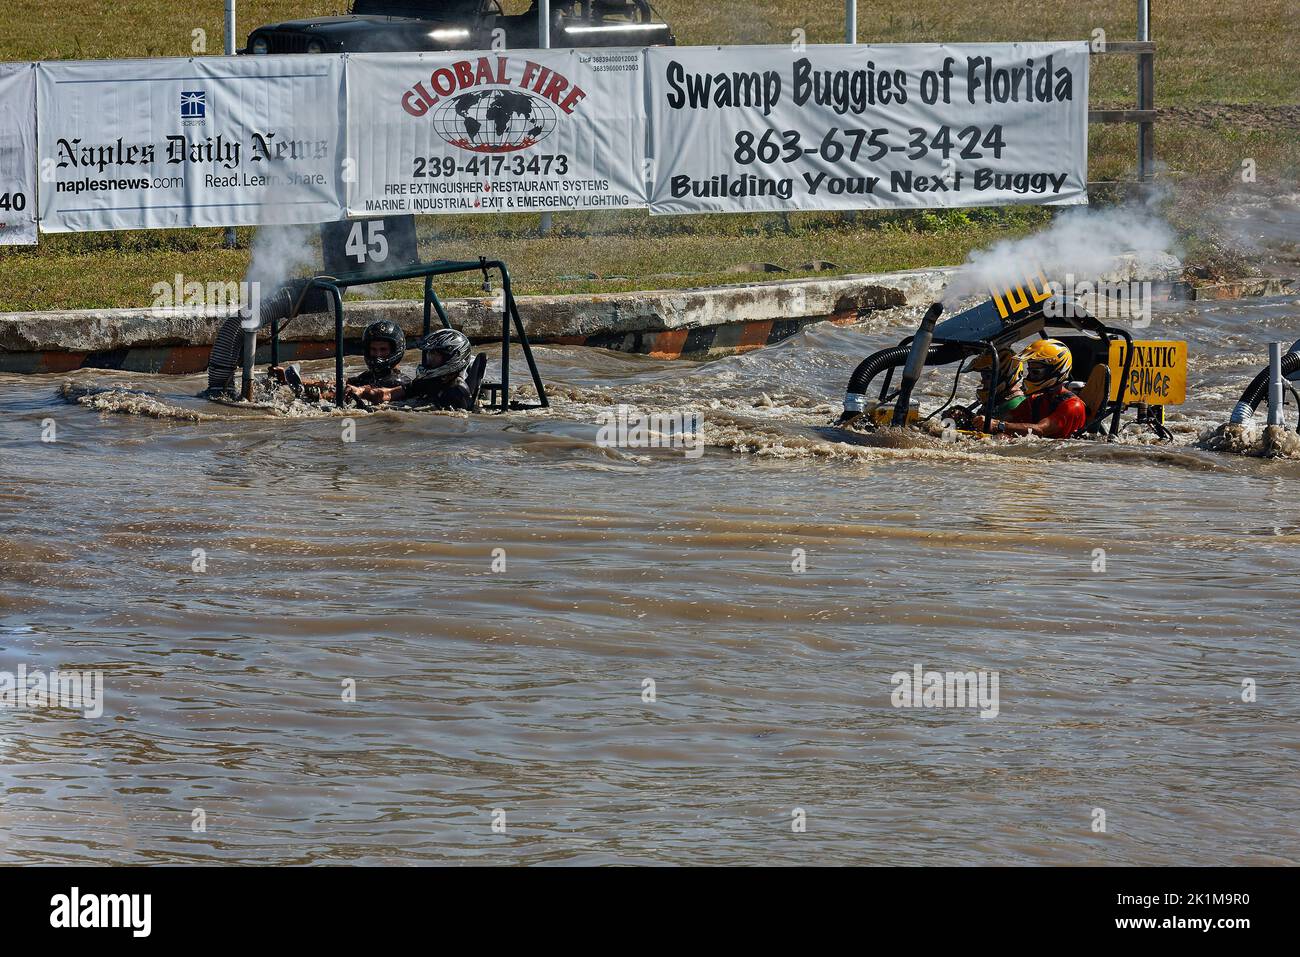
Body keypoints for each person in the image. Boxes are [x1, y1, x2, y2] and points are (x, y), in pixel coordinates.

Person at [956, 339, 1088, 438]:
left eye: (1035, 373)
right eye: (1029, 371)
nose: (1029, 377)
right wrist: (972, 421)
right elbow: (1008, 418)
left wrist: (998, 425)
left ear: (1057, 371)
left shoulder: (1073, 405)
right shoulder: (1036, 399)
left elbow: (1040, 430)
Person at [270, 319, 410, 396]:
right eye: (373, 349)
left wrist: (318, 396)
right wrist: (293, 381)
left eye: (383, 350)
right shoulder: (369, 375)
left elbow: (370, 393)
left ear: (395, 351)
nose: (377, 354)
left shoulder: (398, 381)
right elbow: (336, 384)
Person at [346, 328, 475, 410]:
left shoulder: (457, 391)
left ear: (452, 357)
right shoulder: (427, 382)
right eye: (429, 354)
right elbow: (389, 394)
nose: (429, 359)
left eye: (435, 354)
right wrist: (362, 392)